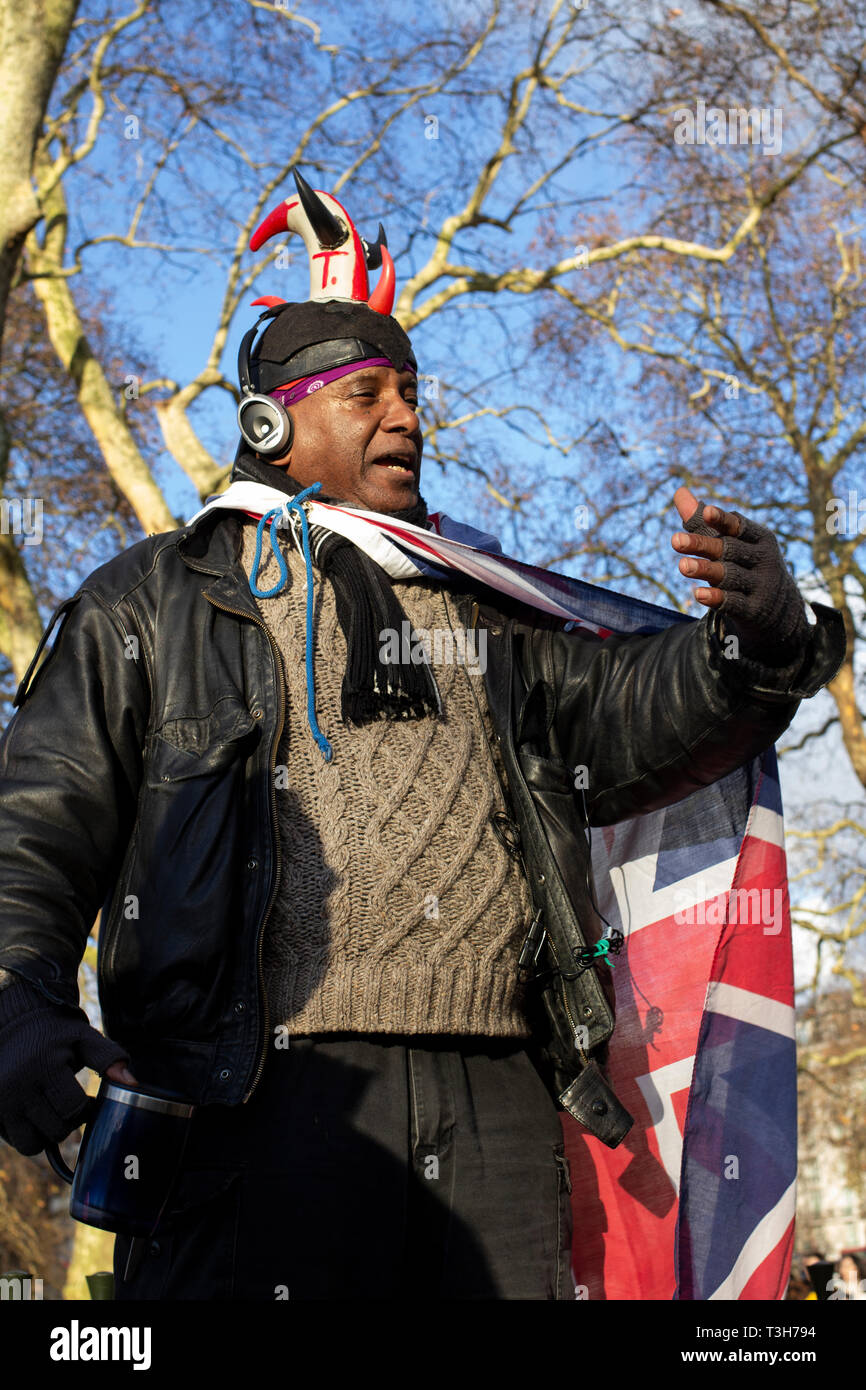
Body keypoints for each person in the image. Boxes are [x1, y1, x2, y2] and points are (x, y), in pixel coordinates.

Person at [0, 171, 846, 1300]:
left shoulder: (492, 606)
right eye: (368, 394)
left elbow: (634, 717)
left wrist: (754, 643)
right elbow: (33, 839)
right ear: (271, 422)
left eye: (411, 392)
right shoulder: (151, 601)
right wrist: (19, 1004)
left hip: (498, 1105)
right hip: (258, 1106)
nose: (406, 416)